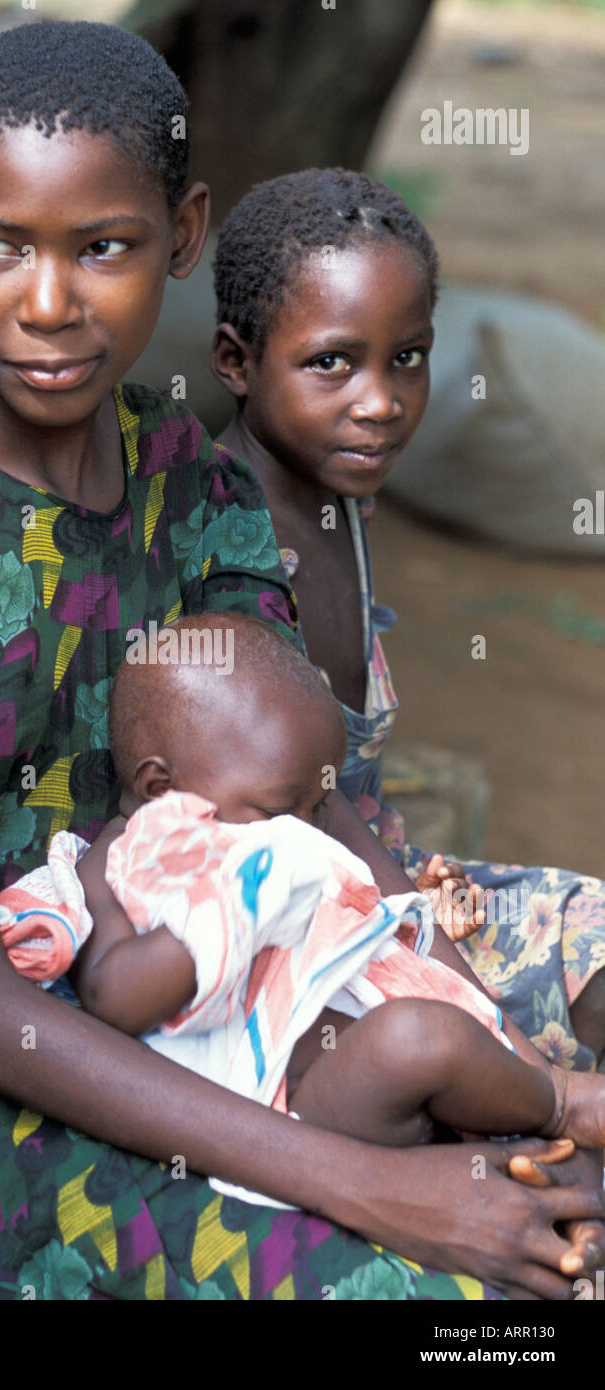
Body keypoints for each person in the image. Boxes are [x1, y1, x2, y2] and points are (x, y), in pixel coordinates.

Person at [0, 24, 601, 1302]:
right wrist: (371, 1180)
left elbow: (300, 788)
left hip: (226, 938)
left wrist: (456, 1013)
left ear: (184, 235)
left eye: (104, 245)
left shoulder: (180, 472)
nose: (48, 301)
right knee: (423, 1289)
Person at [0, 612, 603, 1206]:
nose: (307, 831)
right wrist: (234, 907)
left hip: (393, 1087)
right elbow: (113, 995)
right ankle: (560, 1103)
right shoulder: (119, 864)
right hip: (296, 1106)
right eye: (282, 811)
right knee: (421, 1036)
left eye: (318, 809)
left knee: (439, 1031)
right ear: (161, 790)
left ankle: (533, 1147)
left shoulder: (288, 834)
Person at [212, 166, 605, 1075]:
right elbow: (282, 840)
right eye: (331, 363)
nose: (381, 400)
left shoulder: (339, 503)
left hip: (385, 887)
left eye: (409, 357)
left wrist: (425, 888)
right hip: (283, 948)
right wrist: (447, 960)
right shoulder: (227, 555)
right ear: (235, 361)